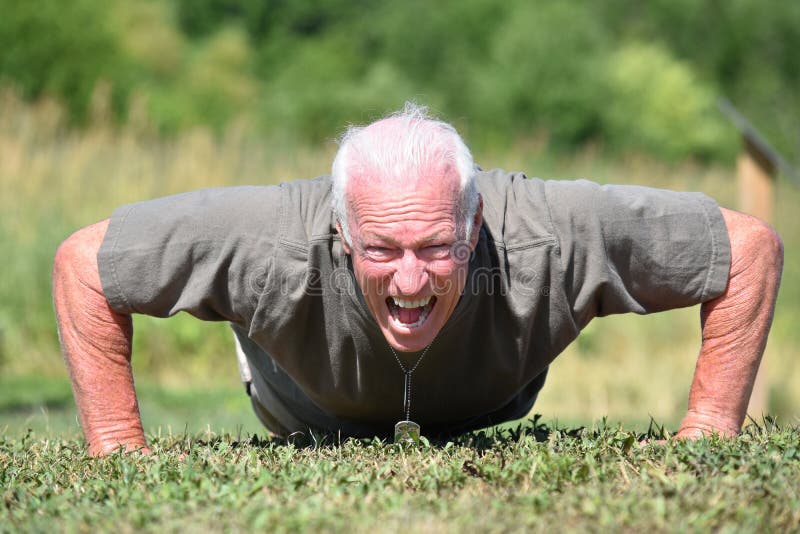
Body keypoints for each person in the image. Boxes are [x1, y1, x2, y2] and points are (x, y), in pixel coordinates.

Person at [53, 103, 783, 456]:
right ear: (342, 231)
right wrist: (117, 443)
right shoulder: (265, 234)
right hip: (303, 398)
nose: (410, 278)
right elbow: (85, 265)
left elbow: (746, 250)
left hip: (486, 401)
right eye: (381, 249)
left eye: (437, 246)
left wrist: (708, 432)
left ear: (475, 223)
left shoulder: (554, 230)